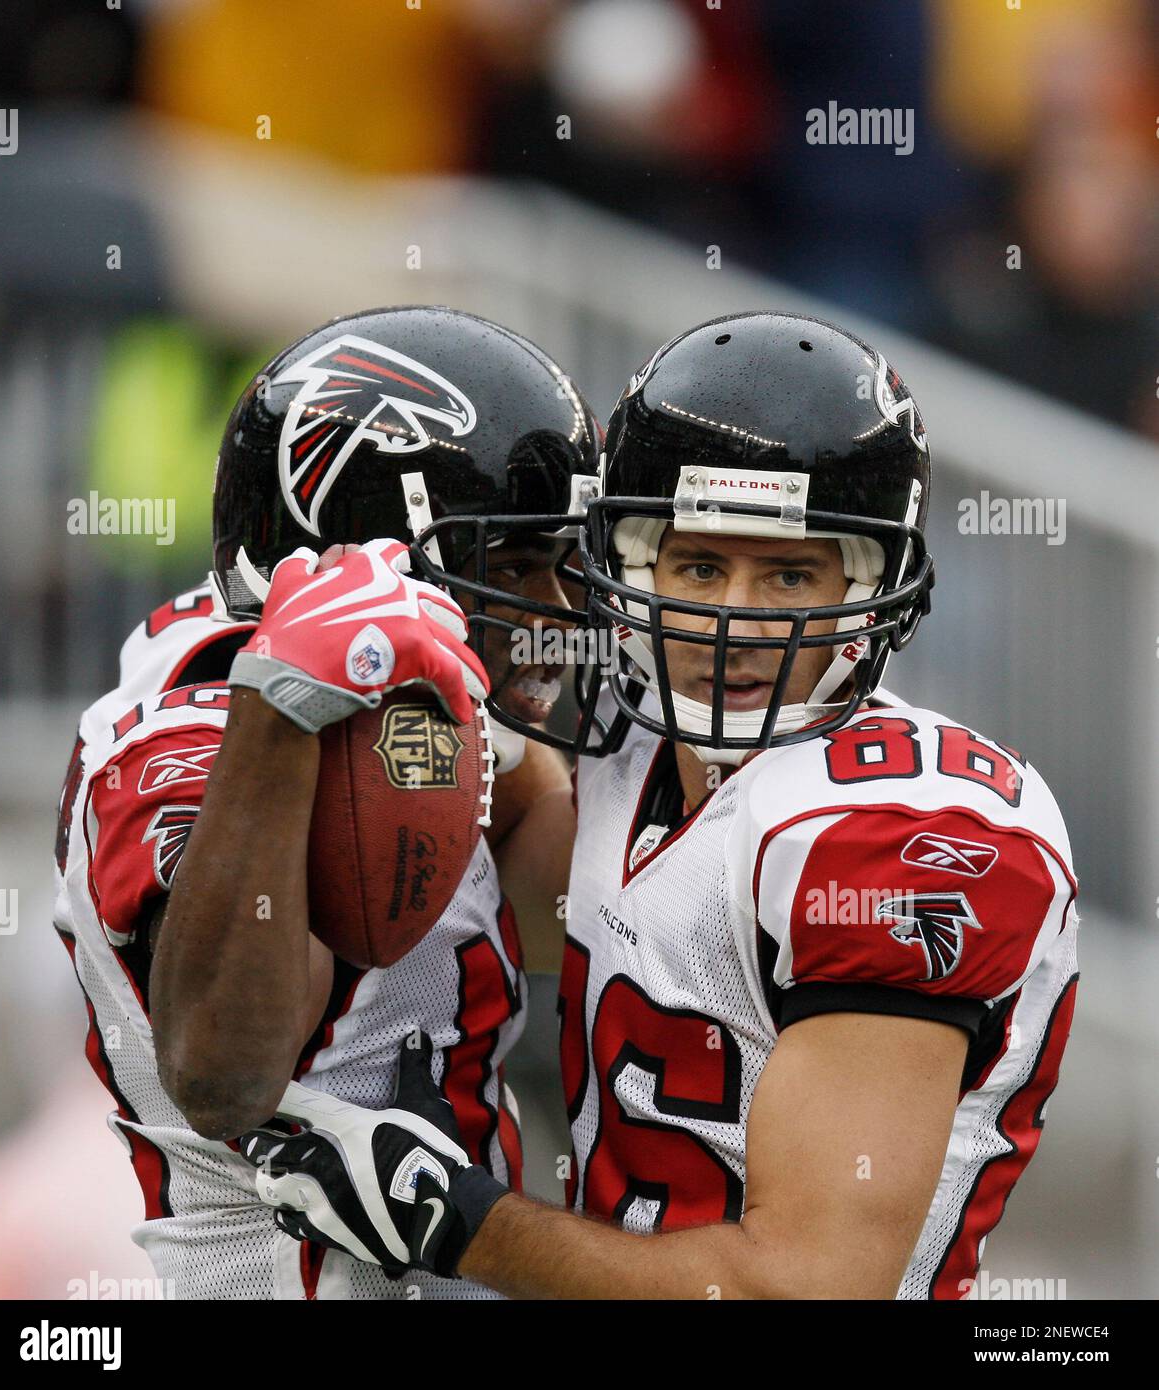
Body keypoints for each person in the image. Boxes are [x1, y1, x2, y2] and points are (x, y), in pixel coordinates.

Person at [246, 312, 1079, 1300]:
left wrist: (458, 1219)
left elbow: (801, 1290)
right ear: (625, 565)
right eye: (697, 566)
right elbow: (477, 863)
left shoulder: (901, 832)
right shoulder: (631, 759)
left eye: (787, 572)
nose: (734, 617)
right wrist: (393, 653)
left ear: (870, 589)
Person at [53, 305, 602, 1299]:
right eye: (515, 565)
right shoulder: (190, 738)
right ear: (369, 551)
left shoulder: (401, 688)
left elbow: (546, 871)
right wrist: (278, 715)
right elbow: (222, 1074)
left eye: (564, 565)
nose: (557, 611)